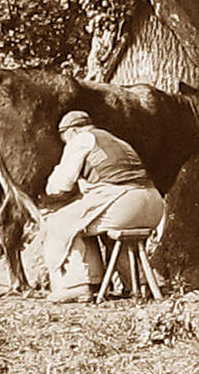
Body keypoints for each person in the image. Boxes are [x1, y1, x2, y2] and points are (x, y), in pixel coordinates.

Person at [41, 110, 166, 303]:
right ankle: (137, 282)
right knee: (90, 222)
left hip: (124, 201)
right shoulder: (117, 140)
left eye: (65, 139)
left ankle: (78, 285)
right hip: (153, 203)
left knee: (58, 222)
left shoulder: (81, 140)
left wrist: (52, 193)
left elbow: (59, 184)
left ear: (72, 131)